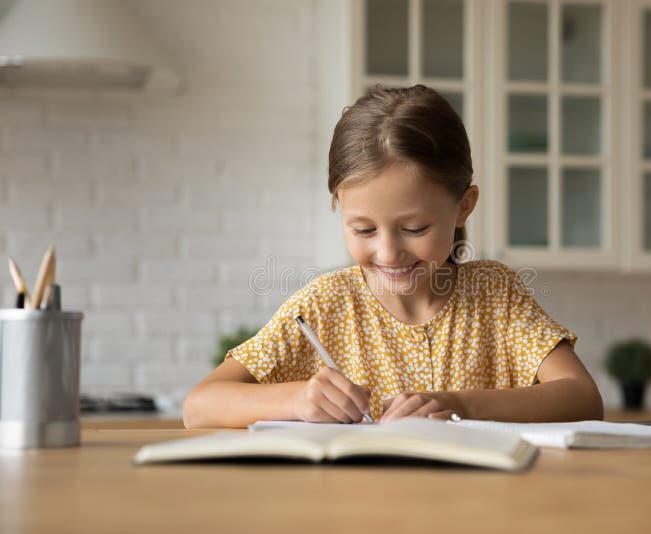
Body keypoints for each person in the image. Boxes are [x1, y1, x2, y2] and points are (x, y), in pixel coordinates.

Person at [182, 85, 604, 429]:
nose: (388, 253)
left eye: (415, 229)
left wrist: (460, 406)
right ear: (338, 208)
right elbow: (199, 407)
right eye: (363, 230)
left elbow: (583, 398)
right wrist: (297, 398)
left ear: (464, 206)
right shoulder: (324, 306)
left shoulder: (495, 294)